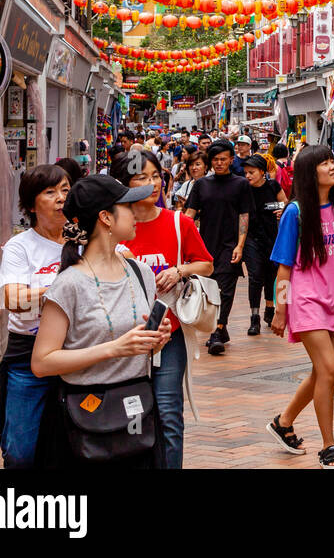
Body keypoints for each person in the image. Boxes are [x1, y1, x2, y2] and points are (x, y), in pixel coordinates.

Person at [31, 175, 173, 468]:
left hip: (138, 411)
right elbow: (42, 362)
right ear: (106, 217)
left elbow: (138, 349)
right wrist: (115, 348)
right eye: (128, 206)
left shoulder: (141, 272)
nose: (137, 213)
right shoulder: (69, 284)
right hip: (84, 420)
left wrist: (154, 342)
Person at [110, 149, 214, 469]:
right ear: (124, 183)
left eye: (156, 175)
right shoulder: (112, 227)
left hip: (170, 335)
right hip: (124, 338)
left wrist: (180, 270)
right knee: (132, 415)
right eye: (141, 177)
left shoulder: (179, 223)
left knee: (169, 414)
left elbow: (207, 265)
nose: (152, 183)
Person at [266, 146, 334, 468]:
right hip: (306, 302)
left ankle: (283, 422)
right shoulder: (295, 212)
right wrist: (282, 309)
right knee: (330, 370)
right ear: (311, 173)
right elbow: (283, 267)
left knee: (321, 371)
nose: (332, 167)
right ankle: (329, 446)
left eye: (332, 160)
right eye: (324, 163)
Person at [0, 166, 71, 469]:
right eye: (50, 192)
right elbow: (15, 300)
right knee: (19, 452)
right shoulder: (21, 246)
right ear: (32, 205)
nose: (60, 199)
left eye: (66, 191)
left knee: (79, 443)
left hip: (78, 351)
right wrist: (67, 289)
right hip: (27, 355)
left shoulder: (86, 242)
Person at [184, 139, 254, 355]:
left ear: (231, 160)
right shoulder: (201, 185)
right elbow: (190, 215)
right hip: (205, 246)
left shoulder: (241, 184)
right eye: (215, 159)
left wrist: (240, 245)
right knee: (208, 289)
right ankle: (220, 329)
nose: (219, 163)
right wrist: (183, 240)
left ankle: (217, 331)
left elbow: (244, 215)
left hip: (230, 245)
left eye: (223, 159)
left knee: (225, 289)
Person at [242, 155, 287, 336]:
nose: (248, 176)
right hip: (251, 239)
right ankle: (254, 317)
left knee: (271, 274)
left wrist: (281, 210)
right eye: (246, 173)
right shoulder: (244, 190)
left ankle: (270, 308)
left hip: (272, 237)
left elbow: (286, 202)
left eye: (251, 172)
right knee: (255, 276)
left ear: (262, 172)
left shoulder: (273, 186)